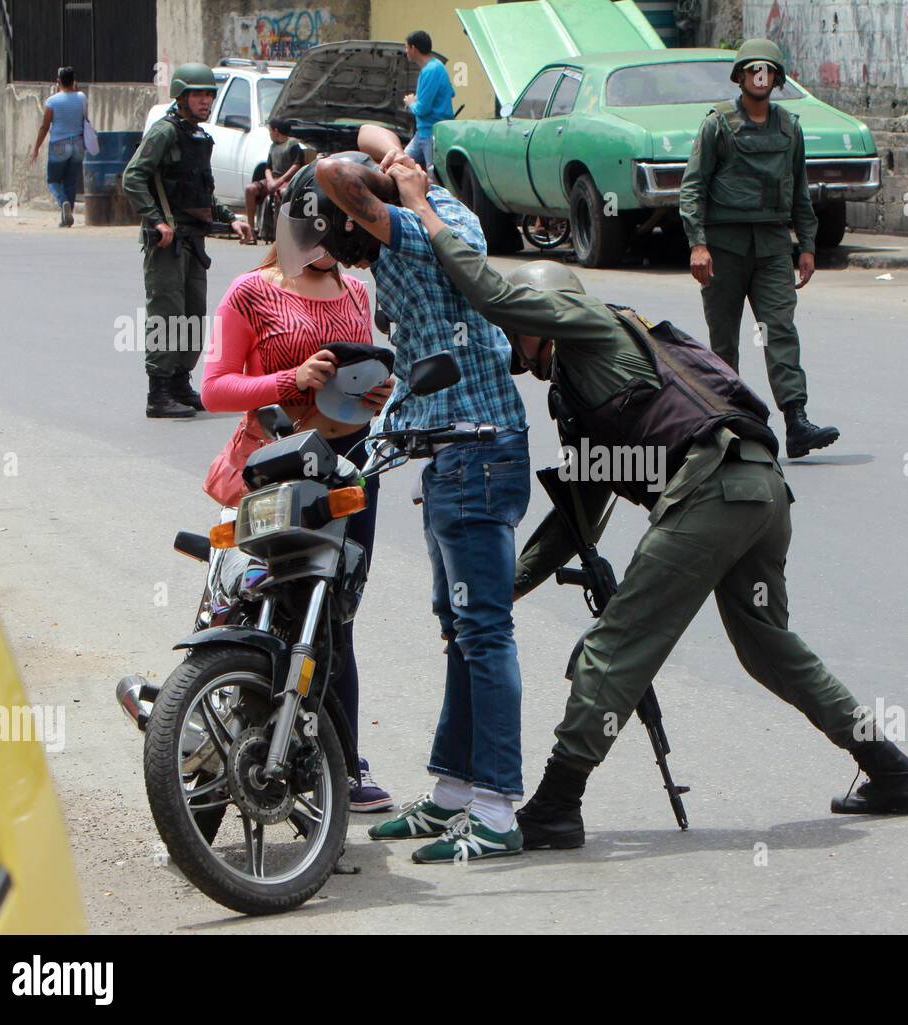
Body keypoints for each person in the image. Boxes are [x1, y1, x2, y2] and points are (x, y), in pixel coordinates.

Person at [387, 159, 908, 850]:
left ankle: (557, 801)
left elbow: (494, 293)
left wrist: (425, 212)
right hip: (757, 487)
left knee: (612, 647)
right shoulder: (587, 383)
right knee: (769, 648)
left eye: (521, 334)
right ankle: (893, 768)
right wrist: (508, 586)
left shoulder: (587, 324)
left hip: (712, 488)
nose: (514, 351)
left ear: (545, 315)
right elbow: (580, 514)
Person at [310, 130, 531, 863]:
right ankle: (453, 794)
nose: (347, 247)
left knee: (484, 633)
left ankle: (496, 809)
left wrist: (390, 178)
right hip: (452, 450)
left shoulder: (412, 231)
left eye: (346, 228)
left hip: (477, 451)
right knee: (461, 631)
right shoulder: (441, 220)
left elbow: (332, 172)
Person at [201, 185, 395, 813]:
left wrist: (374, 394)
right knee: (245, 608)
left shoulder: (356, 292)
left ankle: (340, 761)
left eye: (341, 231)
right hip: (270, 470)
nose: (328, 244)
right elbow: (215, 388)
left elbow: (354, 387)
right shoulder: (250, 293)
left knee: (332, 617)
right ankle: (208, 748)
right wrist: (289, 380)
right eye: (316, 229)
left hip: (345, 475)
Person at [678, 38, 839, 460]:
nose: (760, 77)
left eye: (767, 70)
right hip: (723, 246)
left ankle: (796, 421)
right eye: (753, 70)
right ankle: (726, 424)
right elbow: (692, 188)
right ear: (741, 76)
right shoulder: (716, 125)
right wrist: (698, 244)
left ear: (777, 78)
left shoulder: (789, 127)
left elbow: (799, 190)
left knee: (779, 329)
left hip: (771, 246)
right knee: (724, 342)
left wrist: (807, 245)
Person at [122, 62, 254, 420]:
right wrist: (156, 220)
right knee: (166, 315)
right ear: (180, 96)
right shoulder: (164, 132)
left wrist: (232, 220)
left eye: (209, 94)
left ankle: (180, 383)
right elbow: (133, 176)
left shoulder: (199, 137)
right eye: (198, 94)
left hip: (193, 239)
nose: (205, 101)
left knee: (193, 313)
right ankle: (159, 393)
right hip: (167, 242)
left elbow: (203, 193)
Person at [29, 67, 87, 227]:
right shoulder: (81, 97)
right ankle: (67, 217)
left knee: (53, 180)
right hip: (77, 144)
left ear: (58, 81)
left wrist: (36, 148)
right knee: (70, 181)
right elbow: (84, 117)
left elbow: (45, 126)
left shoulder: (52, 101)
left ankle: (63, 203)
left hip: (59, 145)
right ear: (74, 81)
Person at [401, 31, 455, 171]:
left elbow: (422, 109)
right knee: (401, 165)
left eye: (406, 47)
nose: (405, 51)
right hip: (423, 133)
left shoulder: (430, 71)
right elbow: (451, 92)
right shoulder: (436, 66)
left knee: (434, 177)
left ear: (413, 48)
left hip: (431, 134)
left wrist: (411, 102)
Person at [244, 119, 304, 240]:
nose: (270, 134)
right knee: (250, 189)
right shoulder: (273, 146)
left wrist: (279, 182)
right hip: (273, 179)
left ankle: (279, 232)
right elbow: (268, 168)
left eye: (270, 131)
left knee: (281, 193)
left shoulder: (292, 145)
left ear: (275, 131)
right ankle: (251, 229)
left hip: (287, 180)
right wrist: (271, 181)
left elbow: (296, 165)